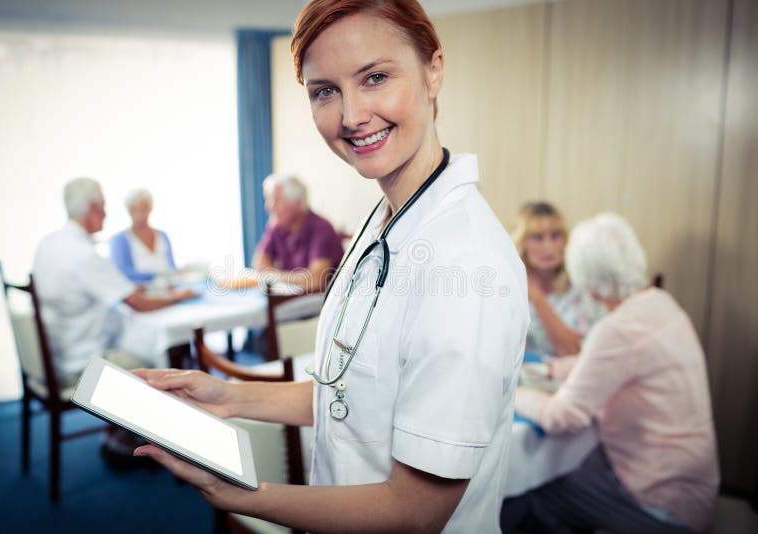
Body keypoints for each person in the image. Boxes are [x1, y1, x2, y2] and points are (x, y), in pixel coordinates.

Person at [132, 1, 529, 532]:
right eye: (325, 91)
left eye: (376, 77)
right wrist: (228, 395)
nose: (351, 116)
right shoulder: (389, 216)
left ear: (434, 70)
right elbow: (352, 395)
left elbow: (414, 513)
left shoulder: (466, 266)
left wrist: (244, 495)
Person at [502, 213, 719, 533]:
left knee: (527, 496)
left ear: (586, 277)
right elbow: (615, 362)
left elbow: (563, 416)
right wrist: (551, 368)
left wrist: (513, 394)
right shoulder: (659, 303)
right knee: (574, 461)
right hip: (694, 487)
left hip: (661, 500)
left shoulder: (616, 329)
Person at [32, 177, 195, 387]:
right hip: (83, 365)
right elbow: (141, 304)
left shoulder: (49, 244)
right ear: (93, 208)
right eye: (104, 206)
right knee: (158, 363)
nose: (107, 213)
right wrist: (178, 297)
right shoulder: (83, 254)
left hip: (58, 355)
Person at [512, 201, 606, 356]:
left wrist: (538, 297)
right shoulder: (511, 289)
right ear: (523, 243)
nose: (548, 246)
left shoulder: (580, 289)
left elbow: (573, 352)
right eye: (537, 237)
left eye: (555, 236)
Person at [252, 173, 344, 292]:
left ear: (298, 203)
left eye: (276, 200)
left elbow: (315, 281)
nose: (269, 206)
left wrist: (274, 275)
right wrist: (292, 278)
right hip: (293, 296)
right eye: (268, 200)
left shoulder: (321, 228)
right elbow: (260, 264)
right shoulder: (276, 225)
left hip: (322, 300)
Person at [109, 188, 177, 283]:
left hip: (169, 287)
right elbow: (121, 273)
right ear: (129, 210)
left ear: (150, 208)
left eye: (143, 208)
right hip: (140, 292)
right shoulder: (119, 240)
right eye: (135, 209)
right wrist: (157, 276)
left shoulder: (163, 236)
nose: (139, 214)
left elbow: (172, 268)